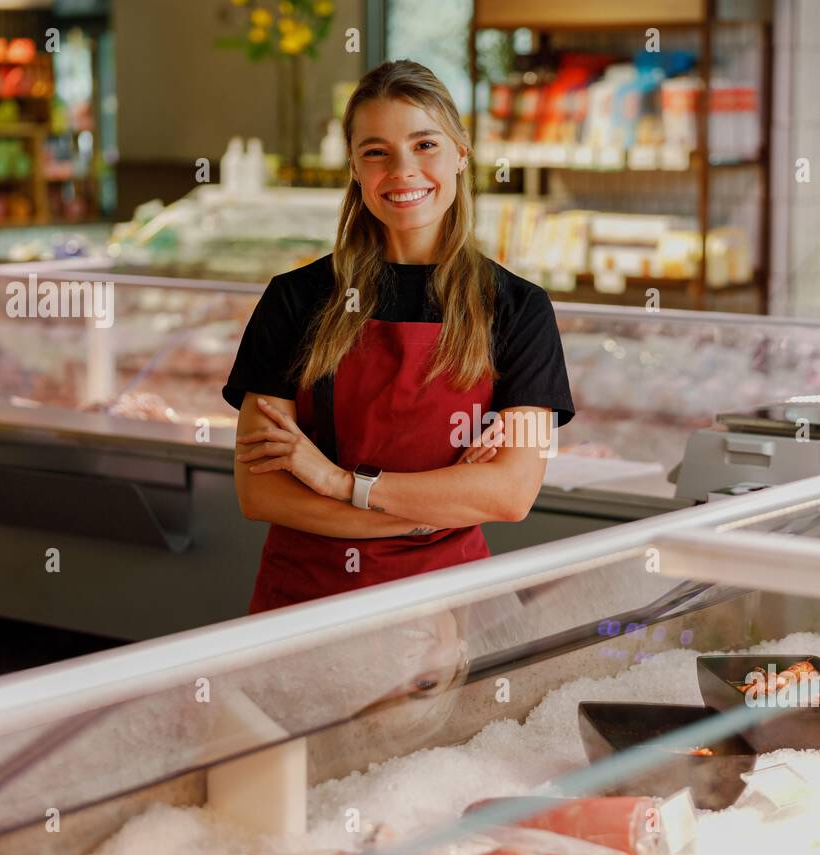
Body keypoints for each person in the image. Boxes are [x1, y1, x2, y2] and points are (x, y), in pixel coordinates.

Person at [223, 59, 575, 612]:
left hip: (448, 604)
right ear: (355, 170)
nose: (403, 170)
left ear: (461, 154)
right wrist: (431, 511)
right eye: (376, 151)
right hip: (309, 607)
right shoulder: (294, 299)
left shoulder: (518, 309)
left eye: (425, 144)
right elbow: (260, 491)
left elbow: (510, 495)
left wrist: (338, 482)